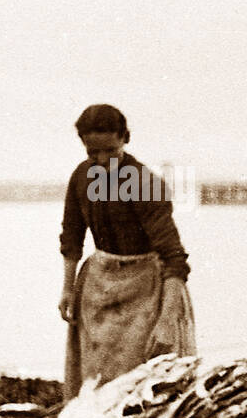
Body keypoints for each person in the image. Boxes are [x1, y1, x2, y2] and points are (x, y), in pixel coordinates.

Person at [59, 104, 196, 399]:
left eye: (110, 151)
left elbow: (174, 259)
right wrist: (68, 290)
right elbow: (71, 238)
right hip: (98, 291)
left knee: (141, 391)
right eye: (92, 153)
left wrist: (167, 321)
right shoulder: (81, 178)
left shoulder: (144, 183)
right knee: (93, 385)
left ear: (125, 138)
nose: (102, 161)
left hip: (147, 295)